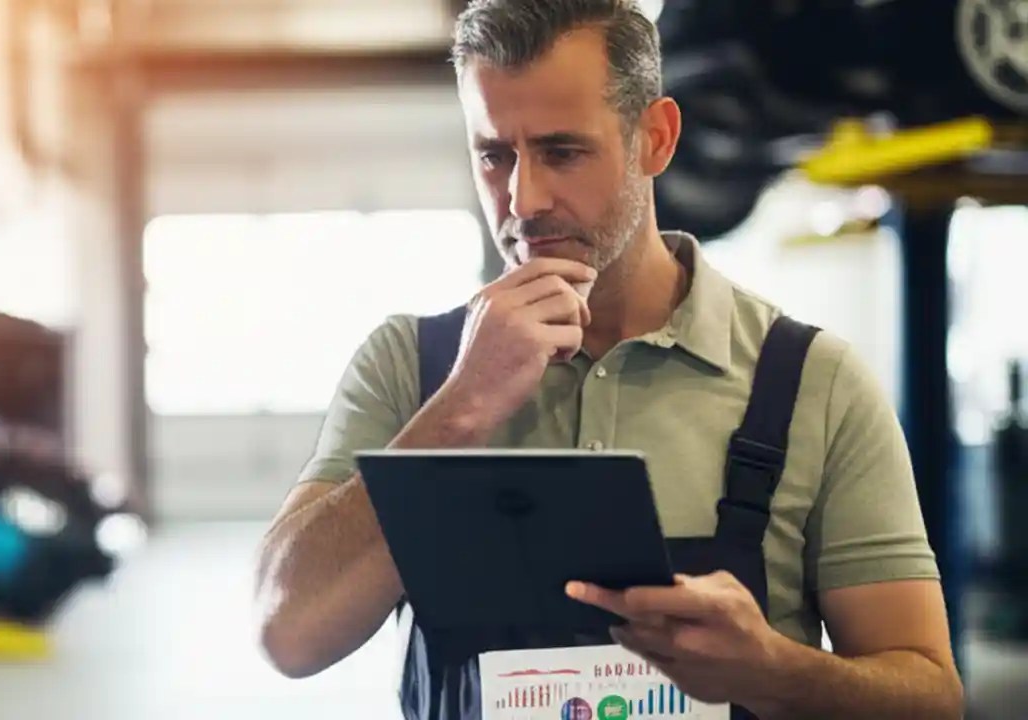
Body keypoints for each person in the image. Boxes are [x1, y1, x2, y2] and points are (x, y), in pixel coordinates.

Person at [252, 1, 964, 718]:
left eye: (563, 152)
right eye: (495, 155)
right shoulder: (411, 369)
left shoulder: (815, 384)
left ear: (655, 138)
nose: (523, 201)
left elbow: (931, 698)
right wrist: (461, 409)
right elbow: (289, 634)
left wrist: (771, 670)